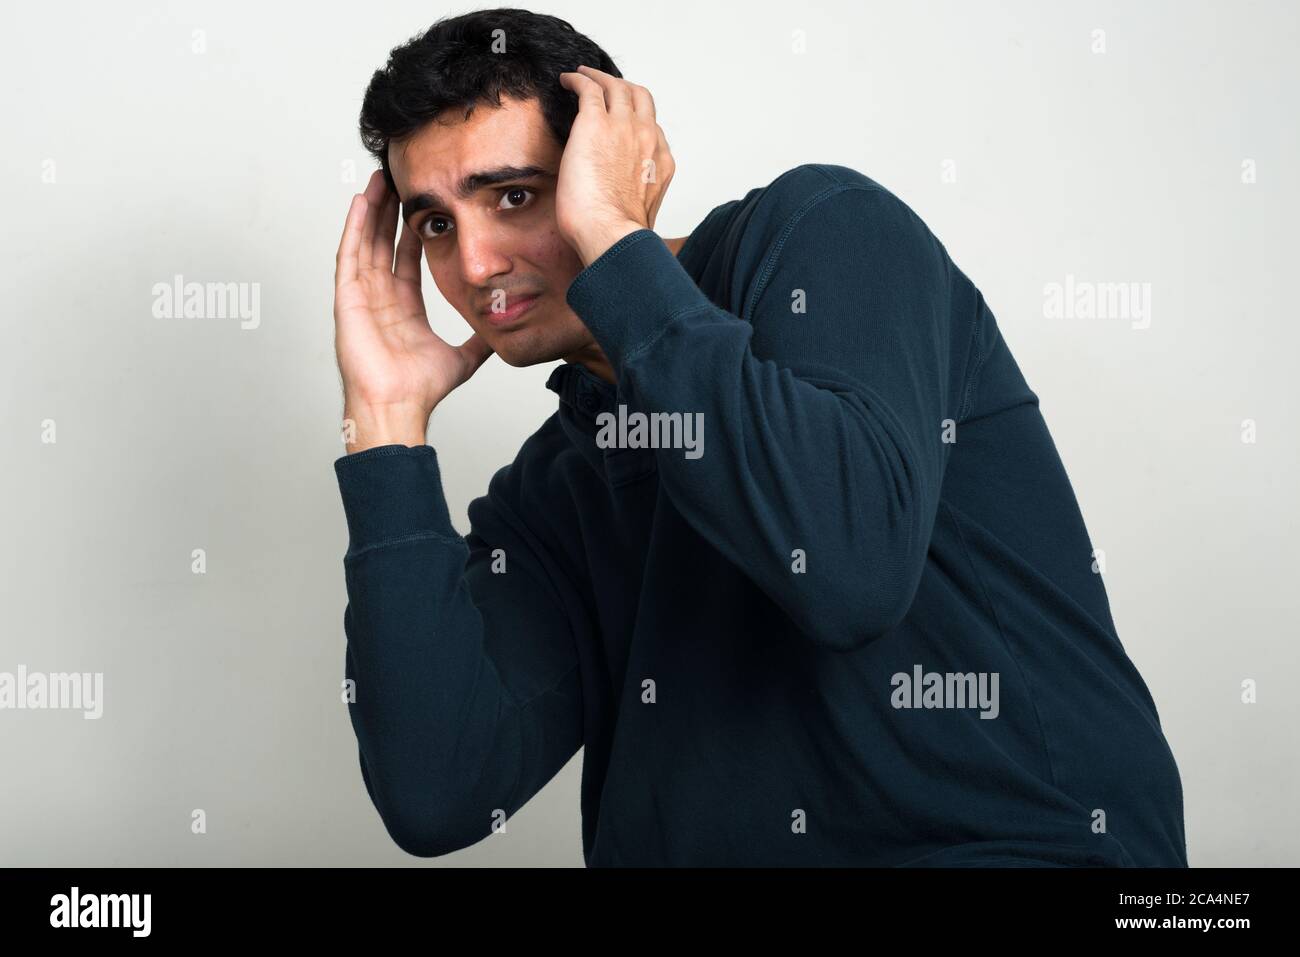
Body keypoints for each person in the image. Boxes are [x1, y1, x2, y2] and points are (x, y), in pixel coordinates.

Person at [331, 8, 1188, 866]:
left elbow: (847, 568)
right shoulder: (554, 495)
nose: (475, 264)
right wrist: (386, 428)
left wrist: (618, 242)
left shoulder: (824, 236)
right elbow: (440, 793)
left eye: (514, 196)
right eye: (436, 223)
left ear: (610, 166)